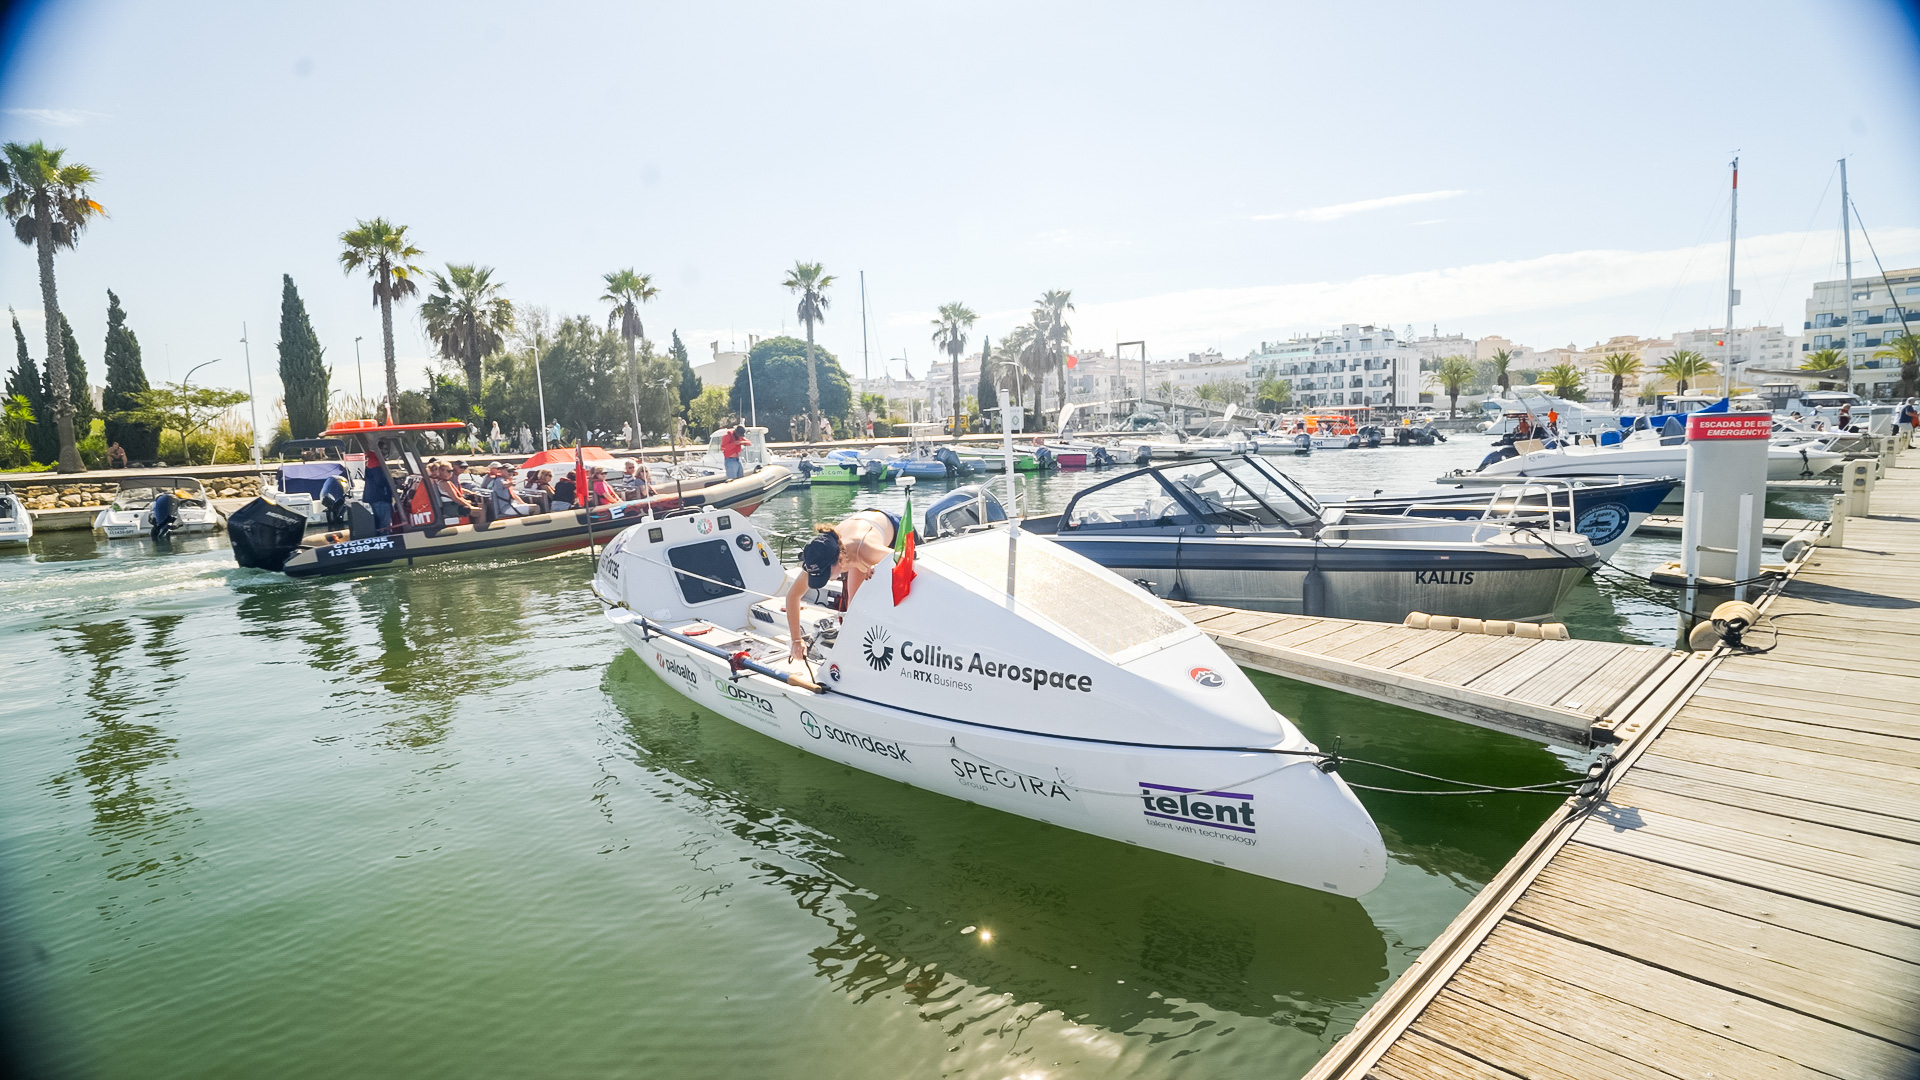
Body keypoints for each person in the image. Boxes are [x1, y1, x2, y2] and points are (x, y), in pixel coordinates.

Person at [785, 509, 900, 660]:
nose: (827, 580)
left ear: (840, 560)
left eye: (826, 575)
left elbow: (913, 557)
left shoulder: (869, 552)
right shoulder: (819, 556)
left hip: (891, 526)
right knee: (853, 607)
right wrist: (796, 640)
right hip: (856, 530)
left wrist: (883, 566)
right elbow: (793, 596)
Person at [363, 442, 395, 533]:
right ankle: (386, 539)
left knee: (378, 524)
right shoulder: (376, 462)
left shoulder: (371, 460)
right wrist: (392, 481)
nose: (386, 451)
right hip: (381, 497)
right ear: (379, 449)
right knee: (384, 525)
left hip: (374, 497)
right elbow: (380, 481)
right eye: (385, 449)